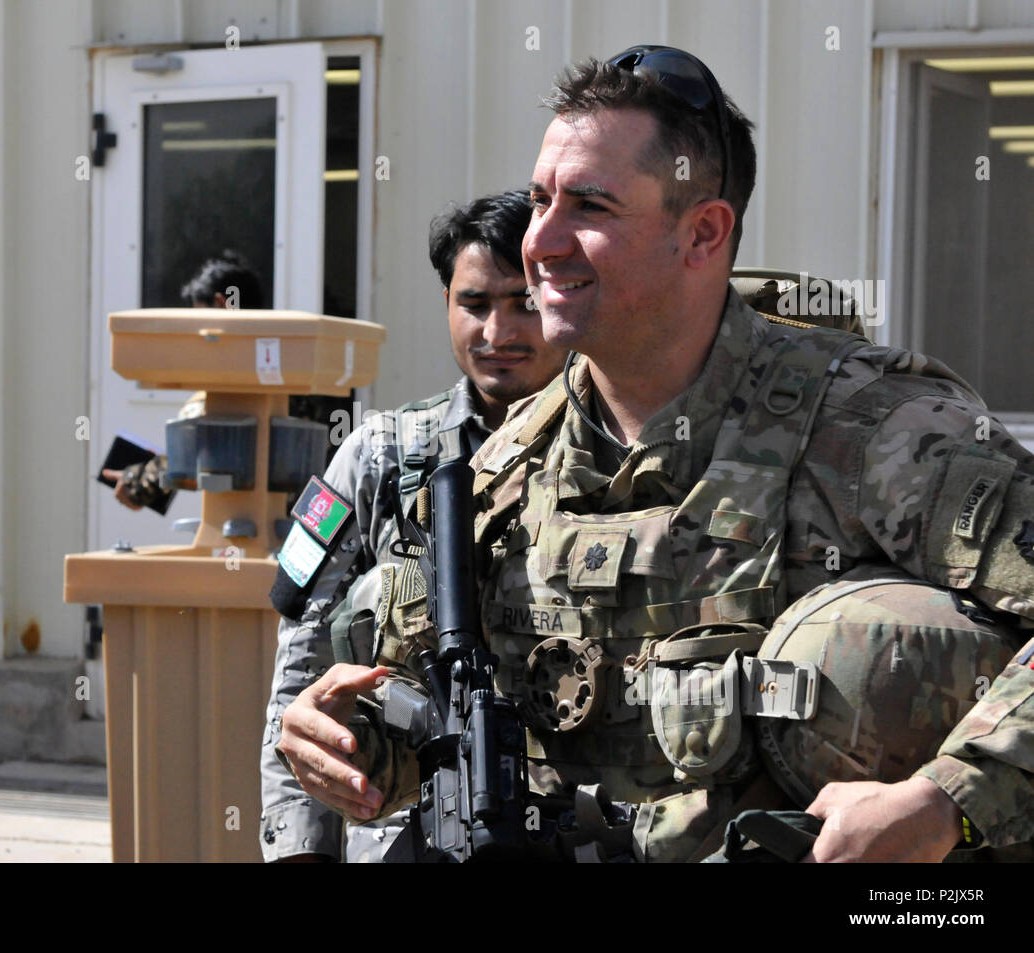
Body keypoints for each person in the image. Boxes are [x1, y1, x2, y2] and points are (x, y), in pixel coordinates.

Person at [276, 47, 1034, 862]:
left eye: (590, 206)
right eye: (540, 200)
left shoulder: (874, 431)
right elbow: (433, 726)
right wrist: (349, 737)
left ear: (703, 232)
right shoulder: (497, 479)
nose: (542, 242)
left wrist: (944, 802)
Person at [259, 190, 567, 861]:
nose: (498, 333)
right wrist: (301, 849)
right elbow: (301, 674)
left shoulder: (608, 460)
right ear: (447, 305)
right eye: (475, 304)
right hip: (405, 829)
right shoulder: (380, 455)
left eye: (525, 303)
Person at [103, 250, 262, 511]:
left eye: (198, 318)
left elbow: (195, 446)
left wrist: (137, 482)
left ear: (222, 304)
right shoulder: (280, 361)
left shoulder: (239, 371)